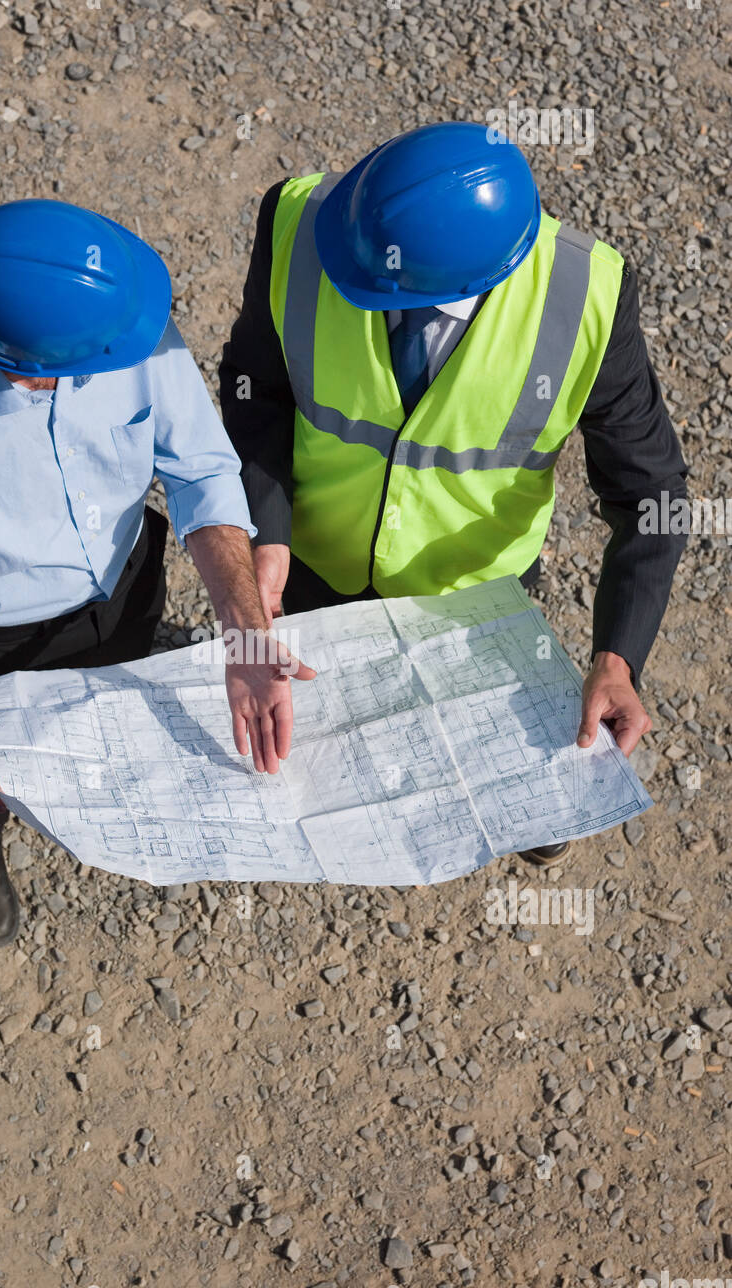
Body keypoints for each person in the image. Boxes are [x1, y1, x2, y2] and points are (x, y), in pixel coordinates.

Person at [0, 198, 313, 948]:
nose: (140, 354)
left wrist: (244, 627)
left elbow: (202, 473)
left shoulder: (116, 327)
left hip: (128, 580)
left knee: (110, 704)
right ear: (25, 372)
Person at [220, 122, 687, 865]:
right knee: (314, 740)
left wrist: (617, 658)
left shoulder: (583, 297)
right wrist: (265, 530)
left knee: (497, 769)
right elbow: (255, 389)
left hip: (470, 598)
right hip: (310, 563)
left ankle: (514, 808)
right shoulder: (300, 221)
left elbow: (651, 491)